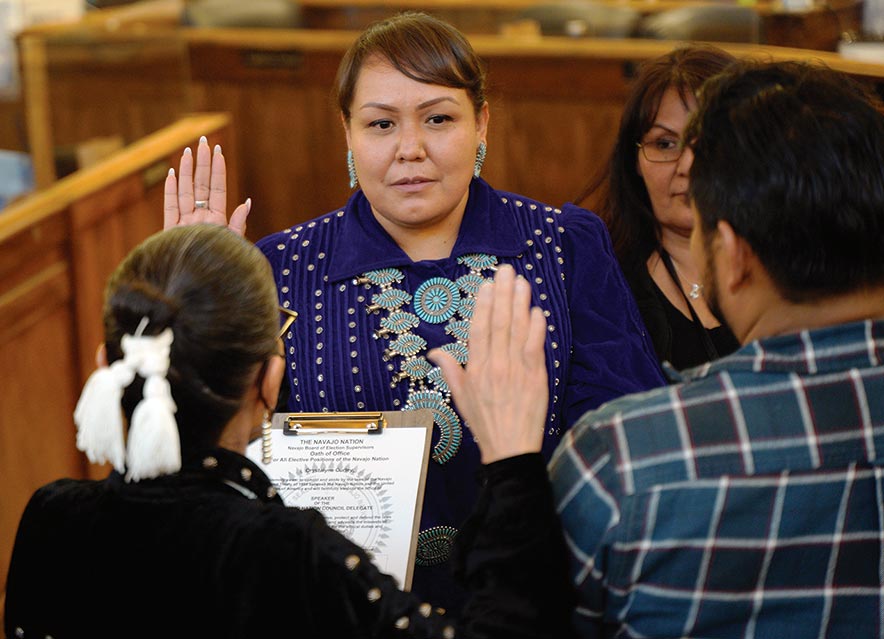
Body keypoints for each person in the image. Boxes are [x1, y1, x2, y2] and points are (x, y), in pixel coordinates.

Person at [163, 11, 665, 609]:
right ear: (347, 132)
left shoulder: (564, 246)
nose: (410, 150)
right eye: (381, 124)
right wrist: (203, 311)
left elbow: (627, 437)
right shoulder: (278, 268)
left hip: (542, 594)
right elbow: (222, 455)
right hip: (344, 608)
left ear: (482, 122)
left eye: (438, 119)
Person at [4, 223, 576, 638]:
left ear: (106, 364)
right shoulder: (288, 553)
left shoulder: (53, 518)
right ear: (270, 380)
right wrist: (512, 464)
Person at [550, 60, 884, 637]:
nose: (682, 171)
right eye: (663, 143)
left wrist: (508, 466)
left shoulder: (619, 460)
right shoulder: (604, 280)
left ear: (732, 255)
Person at [577, 45, 740, 372]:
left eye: (709, 142)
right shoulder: (604, 283)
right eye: (665, 144)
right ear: (634, 160)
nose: (688, 166)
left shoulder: (792, 271)